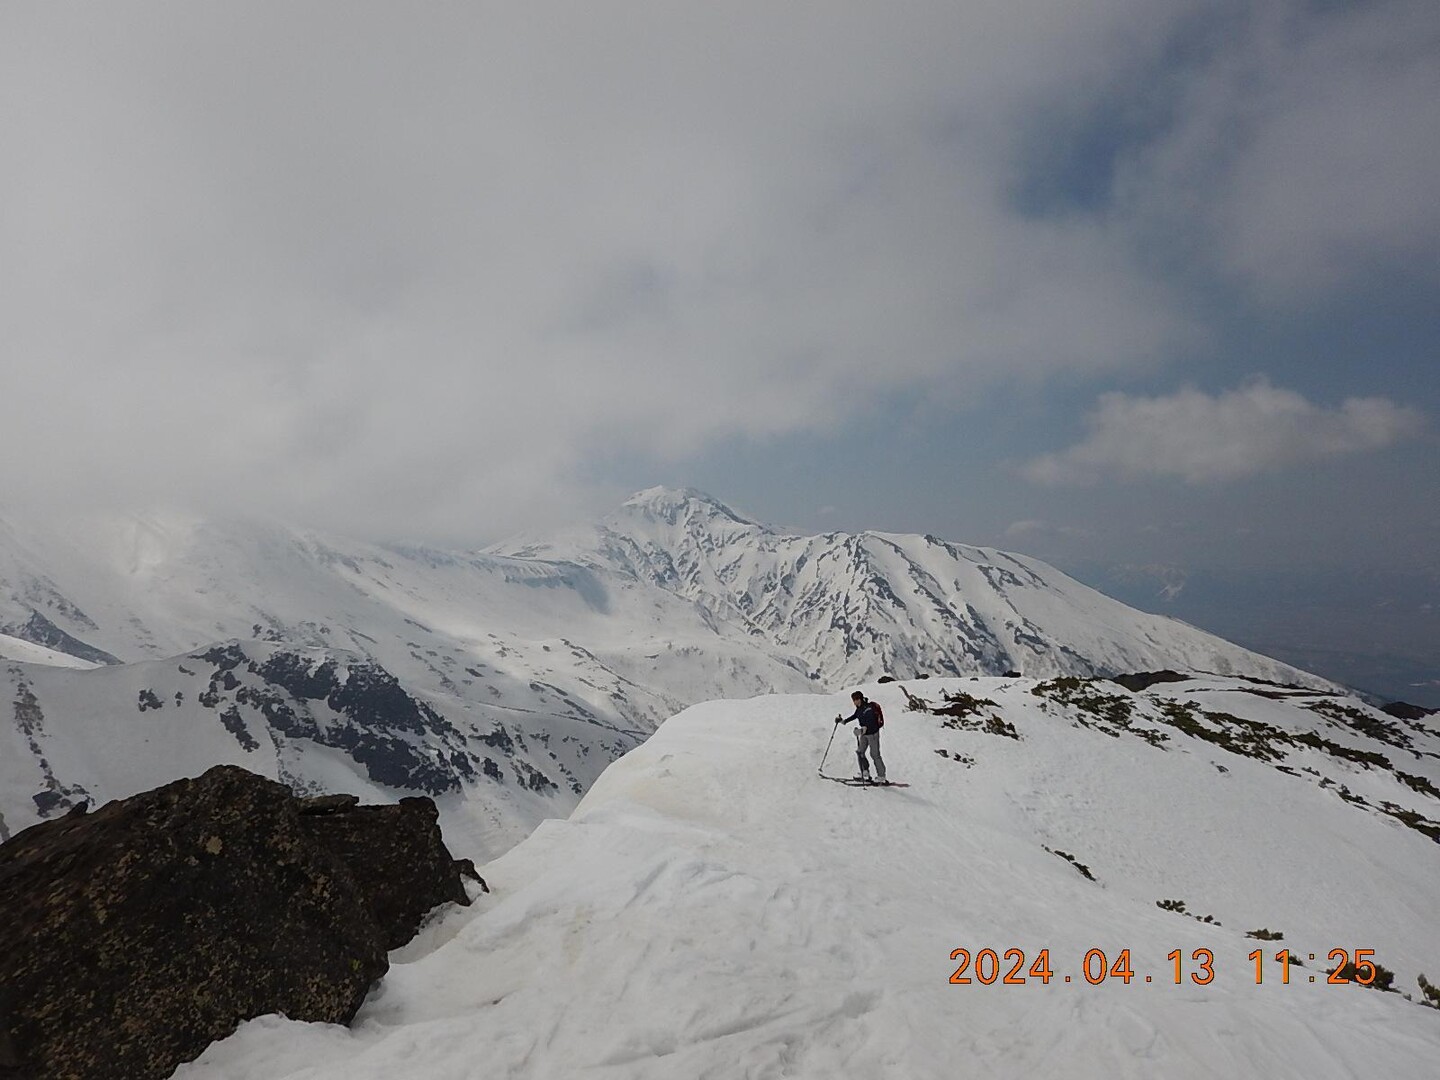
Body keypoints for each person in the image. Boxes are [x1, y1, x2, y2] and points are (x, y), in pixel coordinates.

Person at [835, 690, 886, 783]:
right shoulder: (859, 709)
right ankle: (865, 772)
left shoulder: (869, 709)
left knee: (875, 755)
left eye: (856, 699)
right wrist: (843, 721)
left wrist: (861, 730)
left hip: (873, 734)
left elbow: (871, 724)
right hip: (864, 734)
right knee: (860, 752)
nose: (855, 701)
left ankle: (881, 776)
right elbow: (855, 716)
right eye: (854, 700)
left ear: (860, 699)